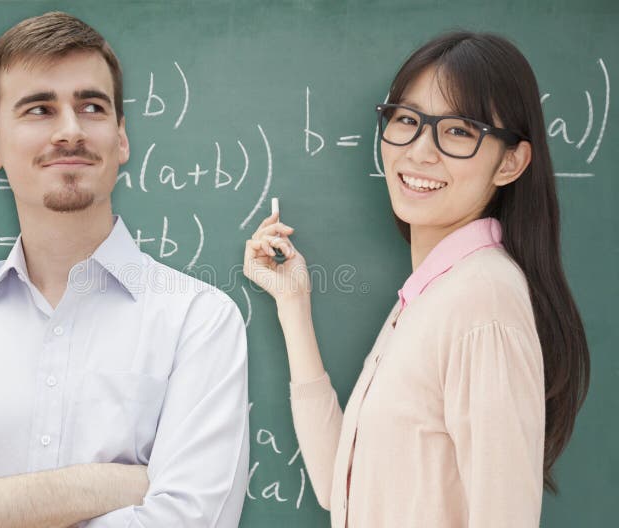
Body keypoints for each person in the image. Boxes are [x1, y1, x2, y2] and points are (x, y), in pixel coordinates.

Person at [0, 12, 249, 528]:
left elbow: (188, 521)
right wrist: (99, 485)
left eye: (92, 106)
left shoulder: (200, 321)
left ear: (121, 139)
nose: (70, 131)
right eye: (39, 109)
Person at [244, 31, 589, 527]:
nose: (420, 152)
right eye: (406, 120)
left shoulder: (482, 301)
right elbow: (336, 486)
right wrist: (293, 304)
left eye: (458, 131)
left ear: (510, 162)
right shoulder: (432, 293)